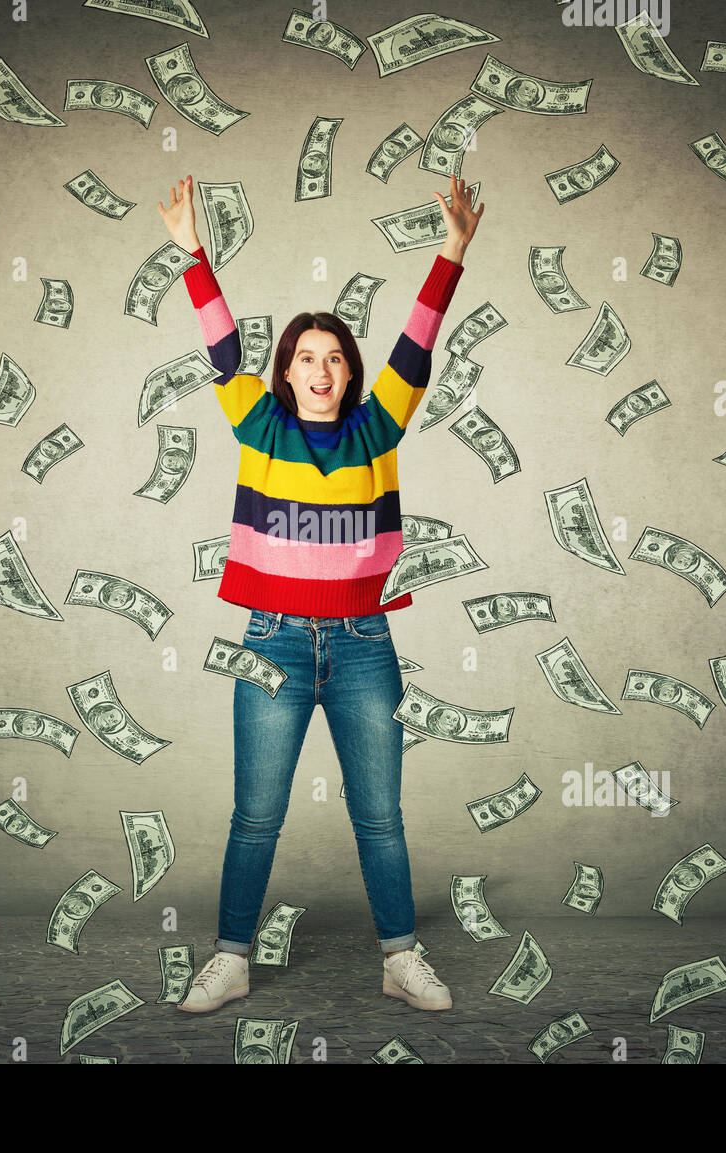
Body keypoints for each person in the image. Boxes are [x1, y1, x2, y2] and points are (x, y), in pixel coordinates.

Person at [156, 172, 485, 1013]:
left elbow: (417, 344)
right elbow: (222, 349)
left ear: (349, 371)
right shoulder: (256, 424)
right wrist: (195, 253)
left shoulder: (379, 427)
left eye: (335, 355)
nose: (321, 367)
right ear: (288, 371)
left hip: (365, 645)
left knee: (380, 817)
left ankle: (399, 956)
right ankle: (231, 958)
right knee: (255, 817)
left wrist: (452, 250)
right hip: (270, 642)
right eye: (306, 356)